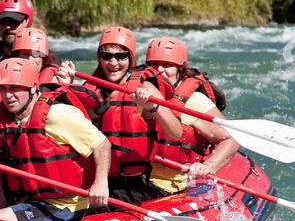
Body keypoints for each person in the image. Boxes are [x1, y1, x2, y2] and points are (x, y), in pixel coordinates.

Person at [0, 57, 111, 221]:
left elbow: (102, 144)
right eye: (3, 89)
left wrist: (100, 183)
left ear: (32, 88)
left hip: (66, 205)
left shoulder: (58, 114)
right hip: (27, 196)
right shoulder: (3, 118)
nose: (8, 96)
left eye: (15, 88)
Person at [139, 37, 239, 194]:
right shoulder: (139, 93)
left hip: (168, 187)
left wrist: (207, 166)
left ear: (181, 68)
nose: (159, 70)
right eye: (154, 65)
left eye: (166, 65)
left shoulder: (195, 101)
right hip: (133, 180)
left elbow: (231, 140)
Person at [92, 27, 167, 206]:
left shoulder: (145, 88)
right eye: (106, 56)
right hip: (96, 182)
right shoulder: (90, 89)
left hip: (132, 185)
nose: (113, 63)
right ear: (99, 58)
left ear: (131, 59)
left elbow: (175, 132)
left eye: (121, 56)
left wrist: (153, 107)